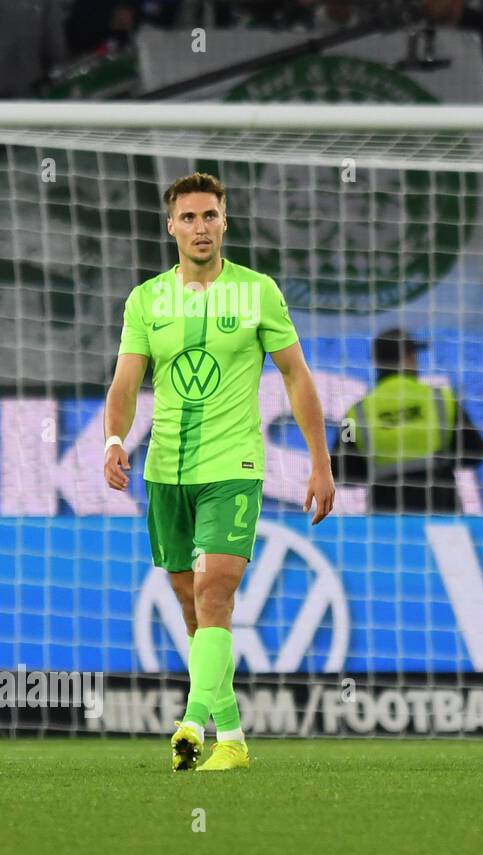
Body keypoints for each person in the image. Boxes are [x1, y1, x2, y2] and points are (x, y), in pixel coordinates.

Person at [103, 172, 335, 772]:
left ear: (225, 221)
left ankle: (188, 721)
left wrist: (320, 461)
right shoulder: (146, 300)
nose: (200, 227)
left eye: (210, 216)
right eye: (189, 218)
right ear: (171, 226)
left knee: (214, 591)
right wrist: (112, 438)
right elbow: (126, 382)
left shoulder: (257, 292)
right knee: (193, 607)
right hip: (166, 470)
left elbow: (295, 375)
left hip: (234, 464)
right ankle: (230, 738)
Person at [332, 328, 483, 513]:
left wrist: (377, 468)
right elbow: (476, 453)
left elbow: (340, 472)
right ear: (409, 358)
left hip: (387, 517)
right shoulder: (442, 400)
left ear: (377, 364)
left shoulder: (355, 414)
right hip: (440, 513)